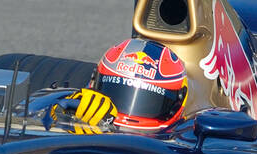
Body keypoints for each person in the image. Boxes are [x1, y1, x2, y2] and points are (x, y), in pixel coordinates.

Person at [48, 38, 188, 133]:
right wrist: (61, 113)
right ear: (94, 82)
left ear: (177, 103)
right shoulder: (76, 110)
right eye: (117, 94)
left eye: (148, 102)